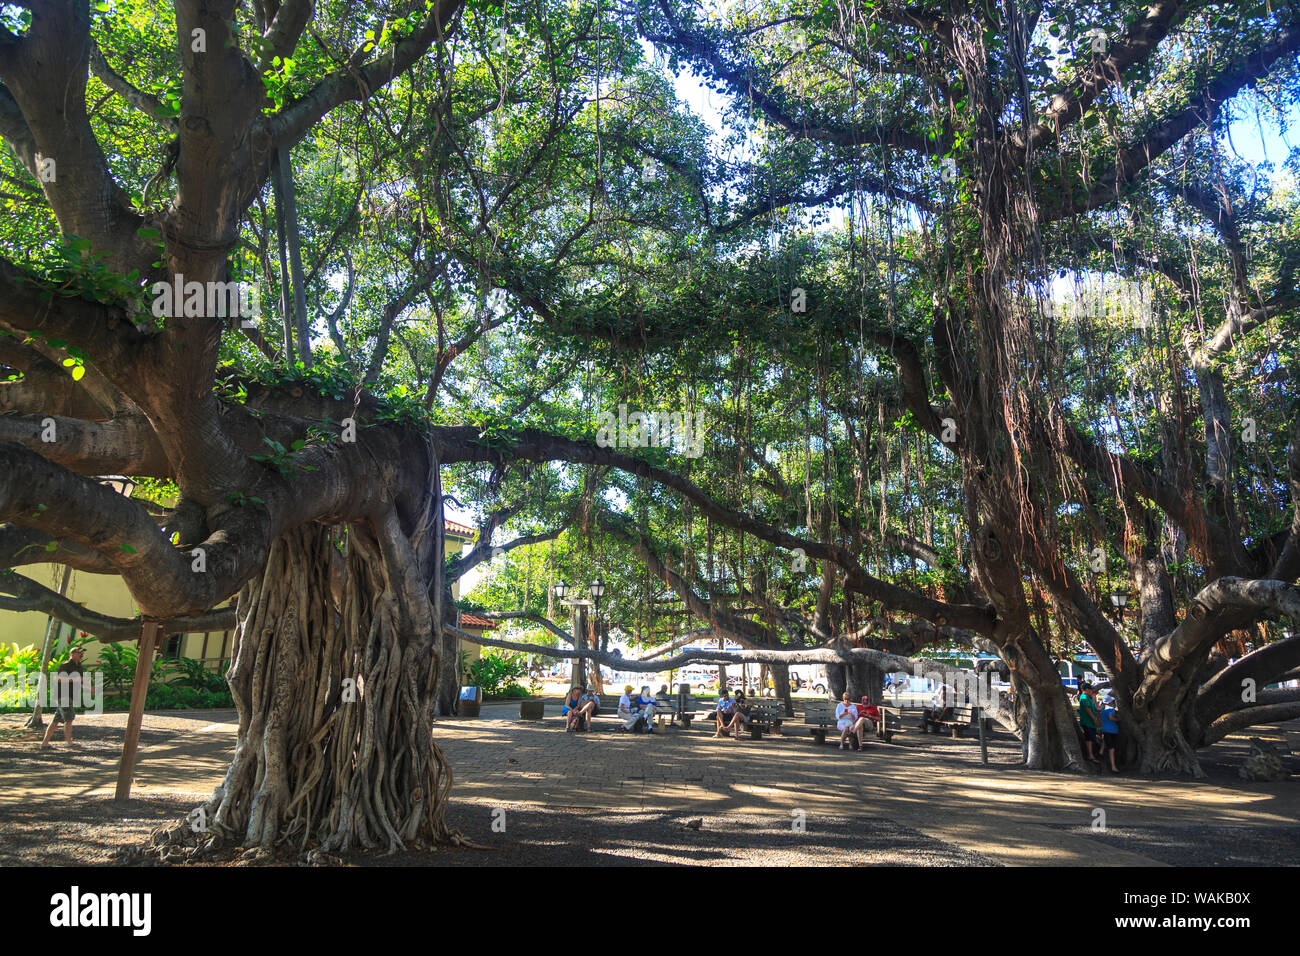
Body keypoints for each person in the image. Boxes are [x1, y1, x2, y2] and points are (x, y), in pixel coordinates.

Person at [41, 647, 85, 750]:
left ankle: (44, 743)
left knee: (56, 720)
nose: (81, 655)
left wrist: (89, 688)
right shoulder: (65, 665)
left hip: (70, 696)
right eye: (79, 653)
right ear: (72, 654)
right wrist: (73, 680)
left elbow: (80, 680)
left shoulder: (79, 666)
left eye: (82, 653)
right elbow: (58, 679)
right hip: (63, 695)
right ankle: (69, 743)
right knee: (69, 719)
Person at [1077, 683, 1101, 764]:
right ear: (1086, 690)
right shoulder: (1083, 697)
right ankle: (1090, 755)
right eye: (1090, 690)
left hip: (1091, 722)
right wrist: (1094, 719)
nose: (1091, 692)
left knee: (1091, 738)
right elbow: (1087, 709)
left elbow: (1095, 708)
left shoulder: (1088, 698)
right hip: (1087, 722)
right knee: (1089, 739)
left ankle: (1092, 754)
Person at [1098, 694, 1120, 772]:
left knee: (1106, 739)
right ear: (1110, 702)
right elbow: (1111, 717)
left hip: (1105, 729)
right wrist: (1117, 719)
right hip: (1112, 730)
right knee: (1112, 749)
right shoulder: (1111, 709)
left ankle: (1101, 751)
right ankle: (1113, 766)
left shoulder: (1103, 709)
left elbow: (1099, 707)